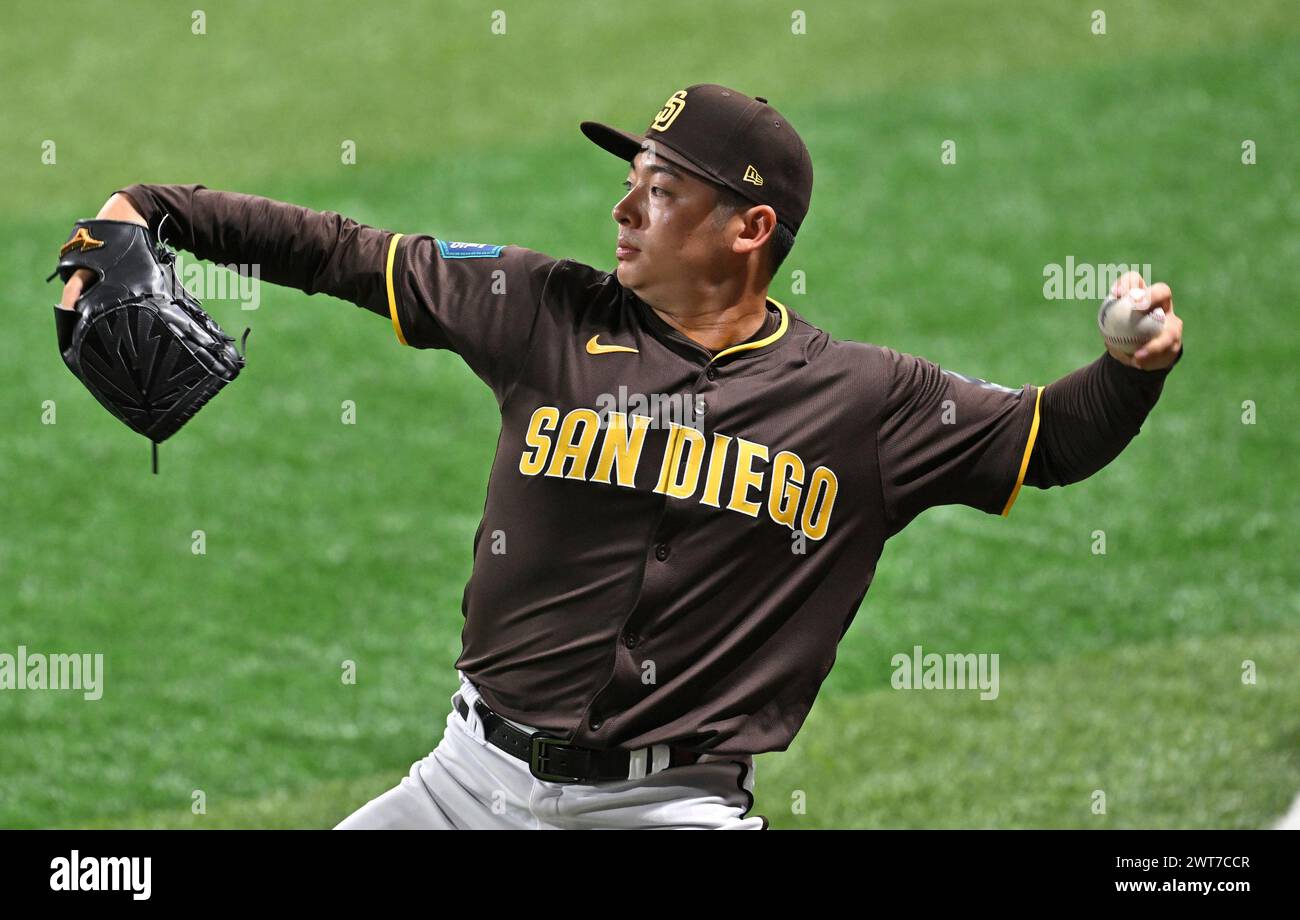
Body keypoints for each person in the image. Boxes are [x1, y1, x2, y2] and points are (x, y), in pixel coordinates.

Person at [59, 84, 1184, 829]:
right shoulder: (540, 307)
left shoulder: (860, 399)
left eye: (660, 188)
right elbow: (344, 252)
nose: (622, 207)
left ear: (749, 230)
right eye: (632, 176)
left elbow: (1046, 437)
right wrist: (152, 208)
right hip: (467, 784)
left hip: (669, 809)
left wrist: (1130, 366)